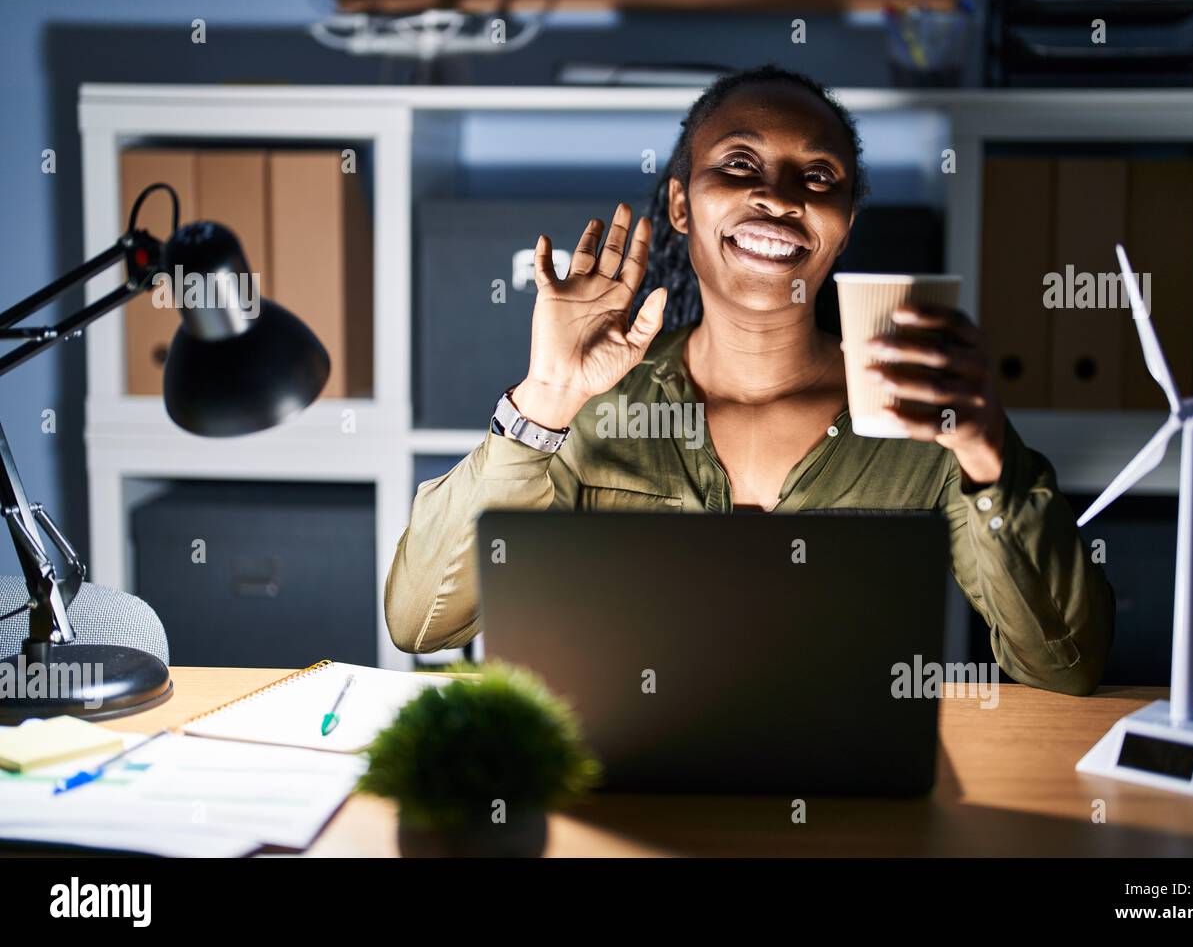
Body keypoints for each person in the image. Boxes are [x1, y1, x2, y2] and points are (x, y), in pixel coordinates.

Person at [385, 64, 1114, 696]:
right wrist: (546, 396)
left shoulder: (920, 409)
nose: (779, 196)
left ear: (846, 222)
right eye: (738, 164)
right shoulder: (594, 405)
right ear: (680, 206)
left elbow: (1064, 668)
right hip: (630, 800)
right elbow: (421, 622)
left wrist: (988, 465)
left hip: (848, 804)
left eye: (818, 176)